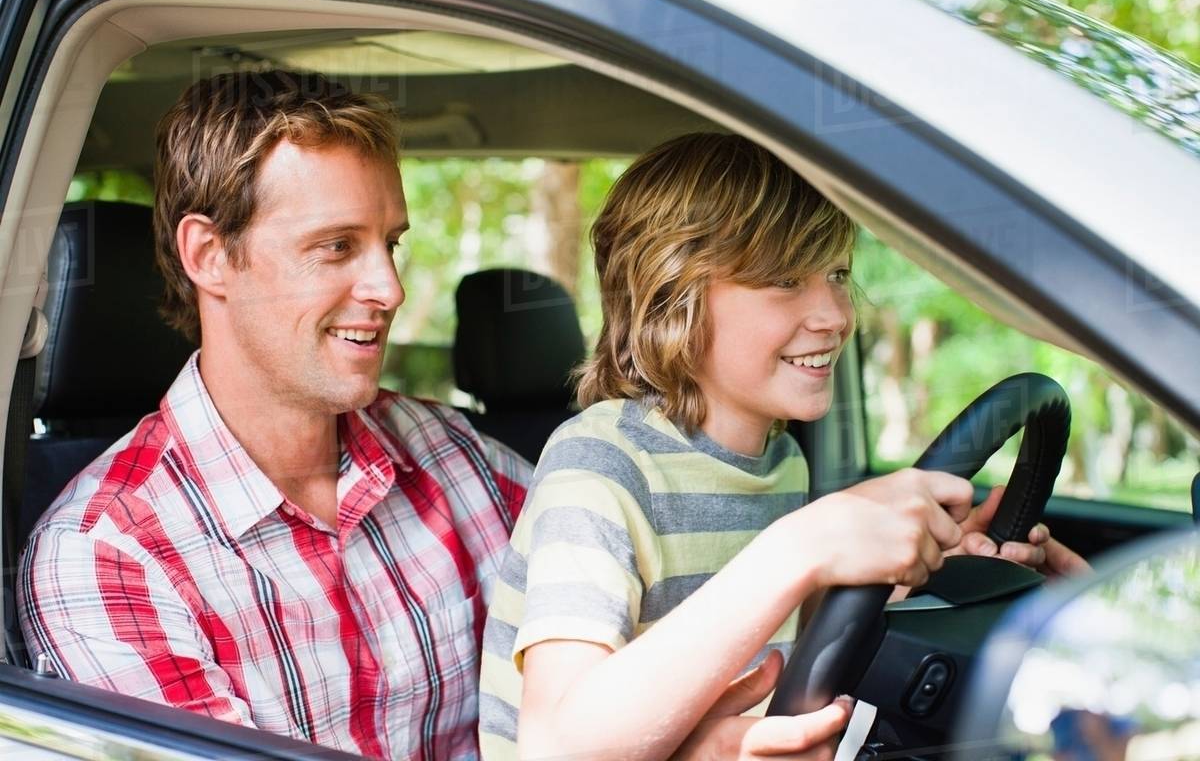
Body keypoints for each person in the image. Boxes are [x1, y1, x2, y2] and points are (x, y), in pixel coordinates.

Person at [477, 133, 1088, 761]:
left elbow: (771, 627)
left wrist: (916, 562)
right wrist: (801, 546)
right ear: (671, 297)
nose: (835, 314)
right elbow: (555, 746)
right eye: (786, 279)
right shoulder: (600, 466)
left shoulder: (779, 459)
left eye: (839, 275)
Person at [19, 70, 531, 760]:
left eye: (391, 243)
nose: (391, 288)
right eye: (337, 246)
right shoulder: (108, 556)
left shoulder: (449, 452)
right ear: (209, 256)